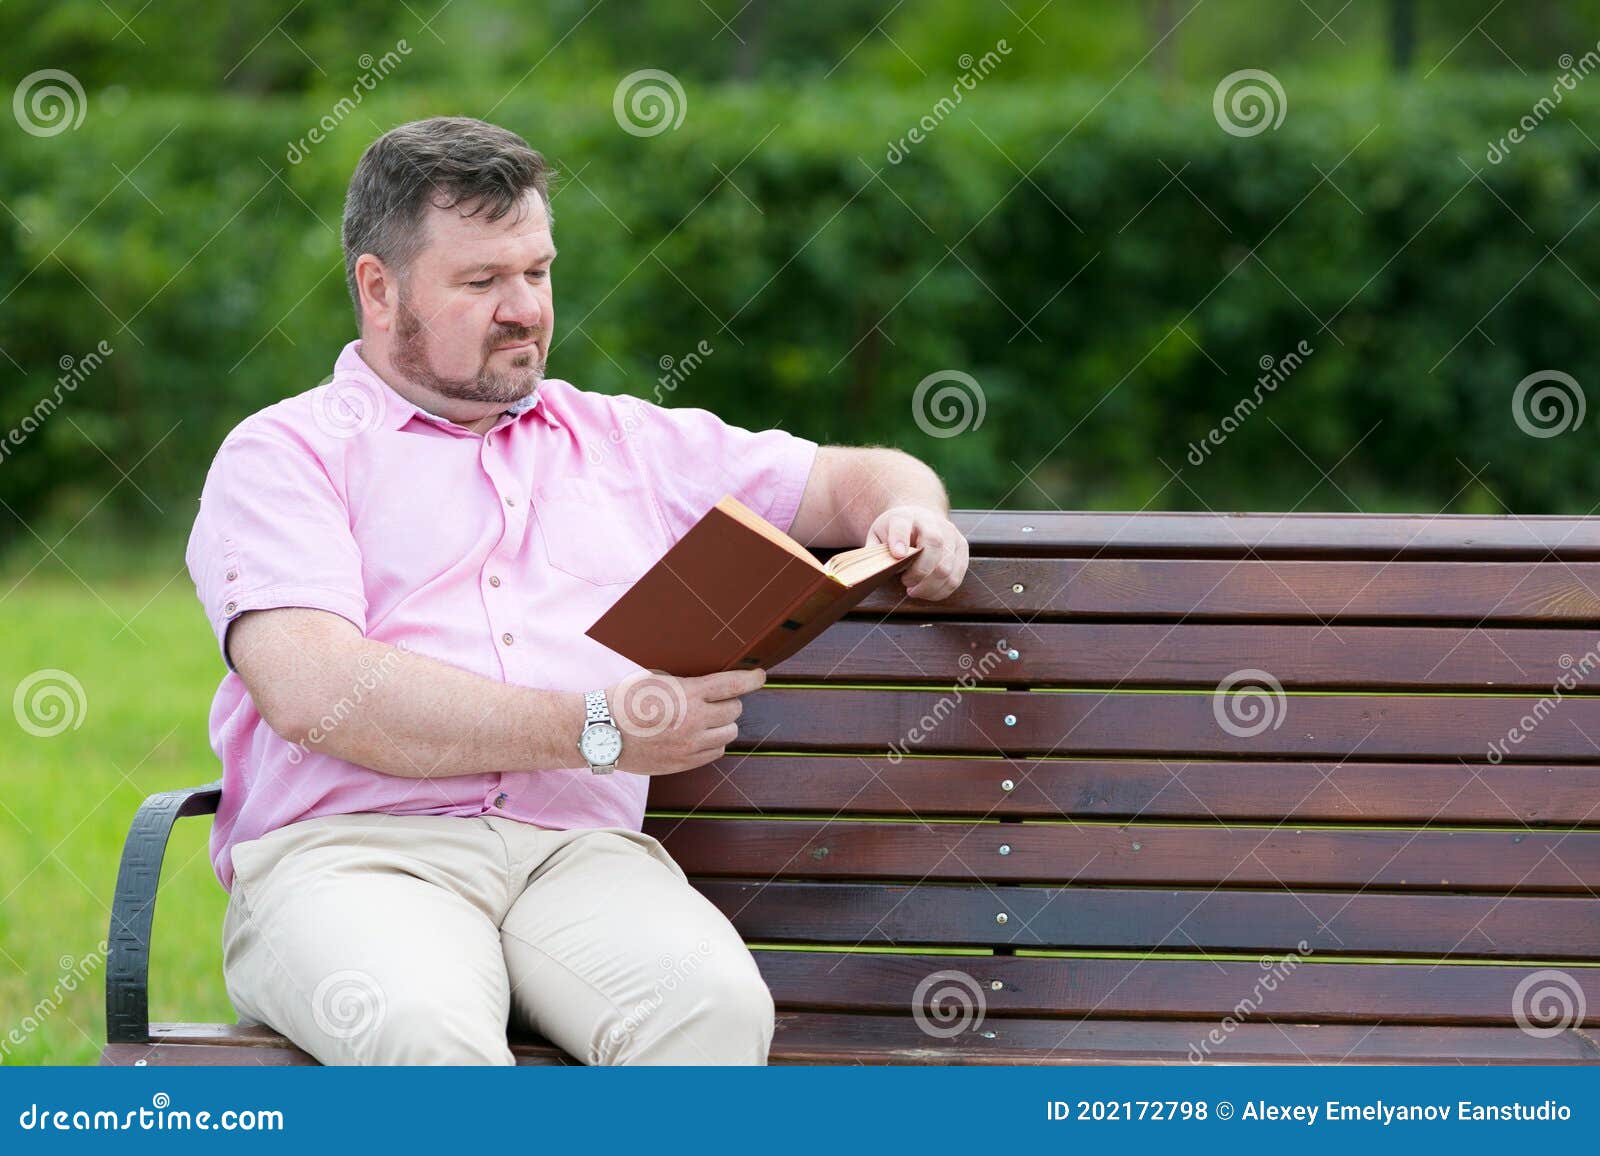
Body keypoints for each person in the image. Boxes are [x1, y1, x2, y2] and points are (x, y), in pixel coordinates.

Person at [185, 116, 969, 1065]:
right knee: (420, 1034)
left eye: (538, 272)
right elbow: (316, 691)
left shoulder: (625, 442)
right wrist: (598, 728)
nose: (524, 308)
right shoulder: (287, 454)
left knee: (712, 1012)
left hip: (572, 856)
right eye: (481, 282)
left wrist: (913, 513)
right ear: (379, 289)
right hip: (352, 854)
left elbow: (853, 479)